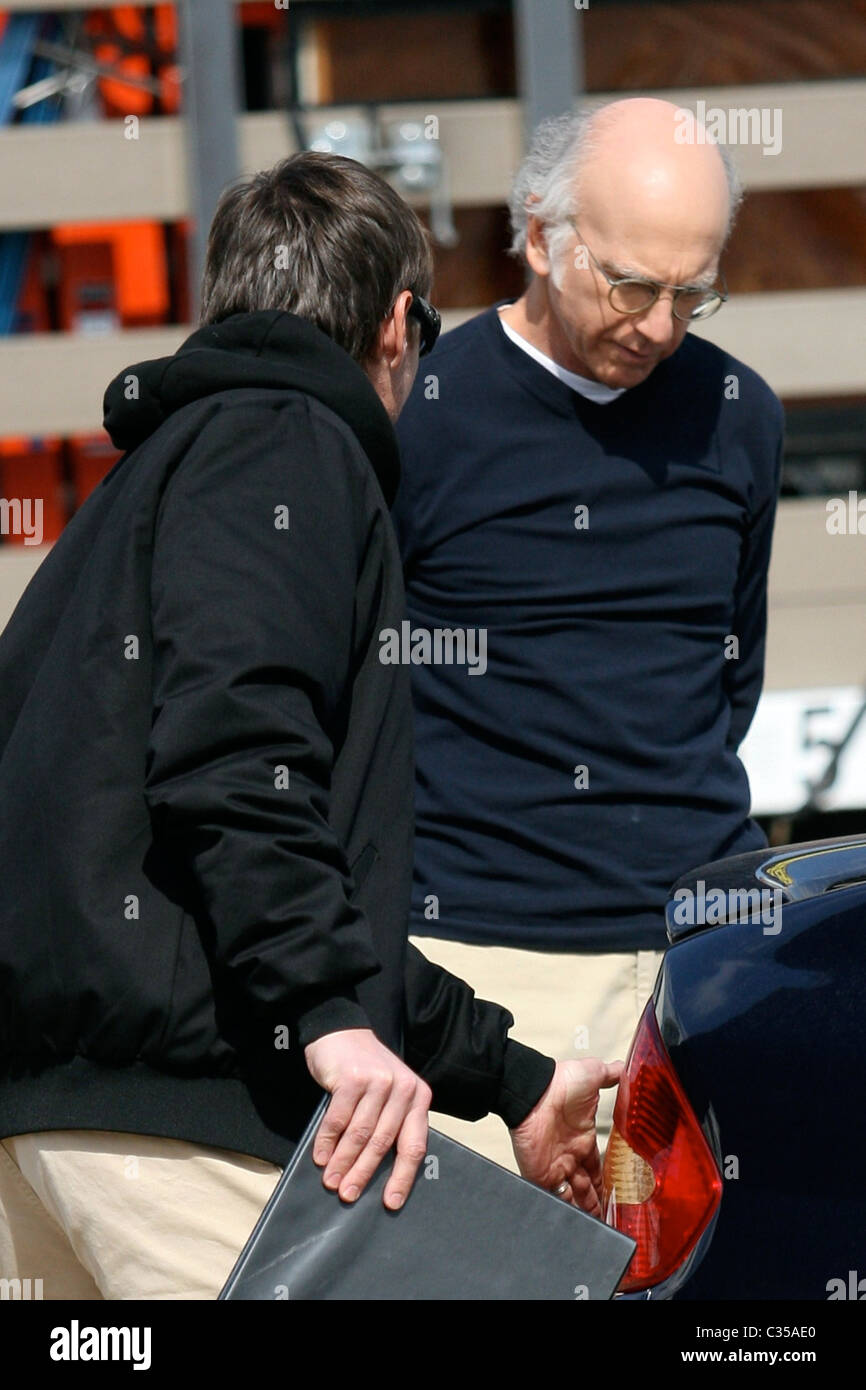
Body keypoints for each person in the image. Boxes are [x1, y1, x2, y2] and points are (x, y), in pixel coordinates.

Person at [0, 152, 620, 1301]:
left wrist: (517, 1080)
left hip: (55, 1129)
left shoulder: (137, 494)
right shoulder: (285, 441)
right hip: (183, 1134)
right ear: (396, 325)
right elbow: (235, 762)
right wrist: (327, 1018)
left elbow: (276, 874)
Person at [393, 98, 785, 1168]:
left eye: (689, 293)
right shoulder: (421, 413)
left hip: (696, 954)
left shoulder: (737, 413)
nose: (658, 325)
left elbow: (726, 673)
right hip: (475, 965)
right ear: (536, 235)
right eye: (629, 284)